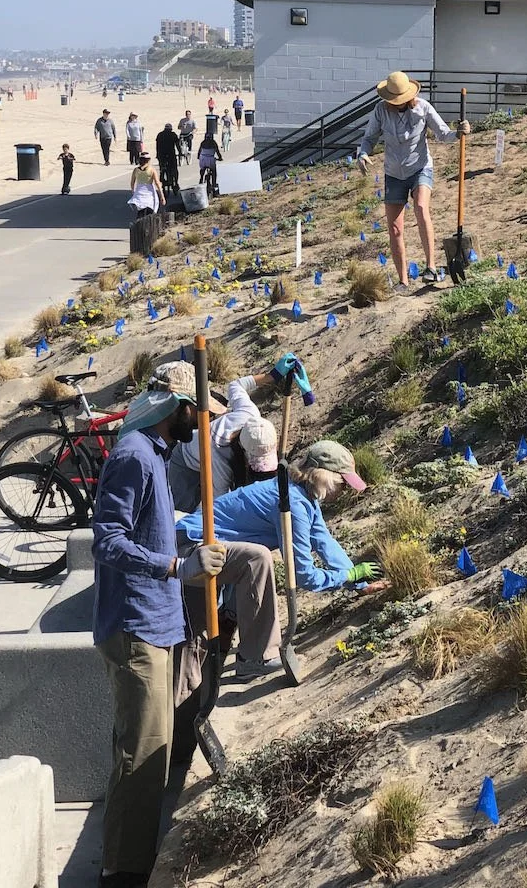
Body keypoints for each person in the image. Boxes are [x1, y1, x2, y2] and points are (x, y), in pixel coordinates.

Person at [91, 360, 226, 887]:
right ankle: (122, 872)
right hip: (135, 627)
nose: (203, 421)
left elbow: (150, 531)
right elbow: (109, 541)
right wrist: (174, 567)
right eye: (199, 412)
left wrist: (186, 551)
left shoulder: (156, 454)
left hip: (158, 621)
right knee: (141, 754)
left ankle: (135, 861)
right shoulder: (133, 456)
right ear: (179, 408)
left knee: (154, 749)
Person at [176, 441, 383, 593]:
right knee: (256, 567)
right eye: (342, 483)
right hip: (194, 547)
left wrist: (359, 584)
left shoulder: (301, 494)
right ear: (324, 476)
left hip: (205, 545)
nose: (344, 490)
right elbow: (303, 576)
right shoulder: (292, 504)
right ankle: (262, 653)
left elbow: (323, 541)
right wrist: (348, 575)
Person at [356, 71, 471, 291]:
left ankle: (431, 267)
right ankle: (403, 280)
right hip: (393, 172)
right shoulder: (381, 111)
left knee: (420, 206)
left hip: (420, 168)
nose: (396, 104)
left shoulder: (424, 108)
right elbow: (369, 138)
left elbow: (443, 133)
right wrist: (363, 154)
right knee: (395, 228)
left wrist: (459, 133)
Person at [168, 367, 281, 512]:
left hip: (207, 453)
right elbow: (218, 504)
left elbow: (236, 385)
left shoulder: (250, 413)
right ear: (242, 448)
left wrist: (272, 375)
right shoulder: (219, 455)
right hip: (185, 462)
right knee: (185, 511)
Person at [127, 152, 164, 218]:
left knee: (140, 210)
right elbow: (157, 183)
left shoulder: (136, 170)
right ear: (149, 160)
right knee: (151, 209)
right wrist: (162, 196)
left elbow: (132, 183)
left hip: (139, 192)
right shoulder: (152, 170)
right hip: (149, 192)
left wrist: (133, 192)